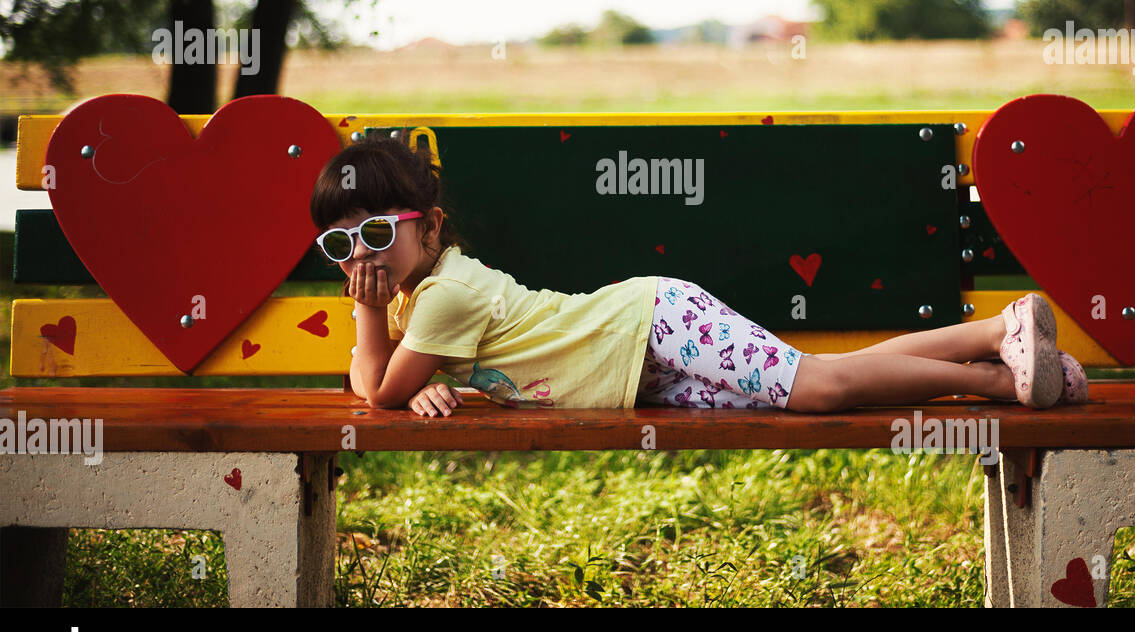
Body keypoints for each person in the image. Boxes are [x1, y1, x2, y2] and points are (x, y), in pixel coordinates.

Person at [310, 138, 1087, 418]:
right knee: (834, 375)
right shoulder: (422, 292)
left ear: (429, 225)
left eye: (377, 232)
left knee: (818, 389)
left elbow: (371, 387)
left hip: (650, 325)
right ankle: (1012, 351)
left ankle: (996, 364)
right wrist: (409, 379)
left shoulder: (442, 295)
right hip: (636, 375)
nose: (362, 259)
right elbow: (378, 385)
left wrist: (382, 353)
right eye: (340, 246)